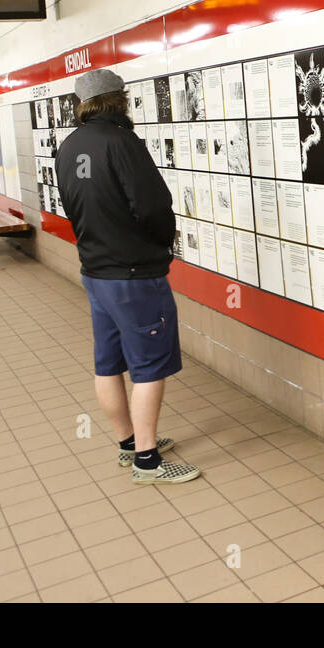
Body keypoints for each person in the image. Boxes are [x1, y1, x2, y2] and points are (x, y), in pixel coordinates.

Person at [56, 68, 198, 485]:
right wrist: (159, 245)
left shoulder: (68, 146)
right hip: (134, 275)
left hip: (95, 272)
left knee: (108, 362)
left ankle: (127, 444)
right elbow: (153, 207)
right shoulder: (122, 142)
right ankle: (148, 461)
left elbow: (74, 207)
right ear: (119, 99)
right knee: (149, 367)